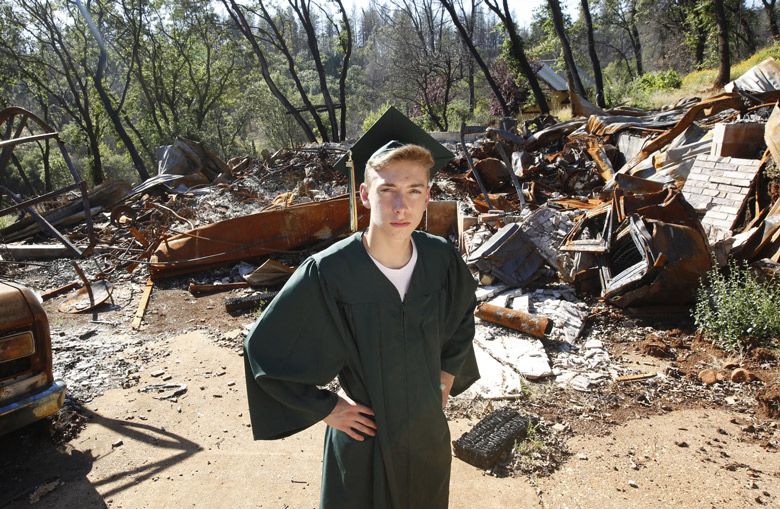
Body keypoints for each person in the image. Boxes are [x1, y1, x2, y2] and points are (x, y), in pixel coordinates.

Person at [243, 140, 479, 508]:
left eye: (414, 191)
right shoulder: (330, 271)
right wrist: (327, 408)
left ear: (428, 196)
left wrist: (448, 371)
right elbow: (264, 349)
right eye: (388, 190)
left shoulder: (440, 259)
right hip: (365, 436)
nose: (402, 205)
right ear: (365, 194)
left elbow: (464, 313)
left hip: (425, 435)